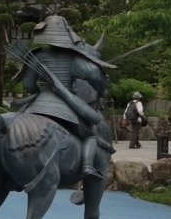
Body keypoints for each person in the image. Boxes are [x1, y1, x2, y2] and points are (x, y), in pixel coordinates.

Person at [17, 15, 117, 185]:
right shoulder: (74, 59)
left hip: (37, 105)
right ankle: (87, 166)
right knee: (90, 132)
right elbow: (96, 78)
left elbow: (28, 85)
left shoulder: (37, 56)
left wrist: (39, 90)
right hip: (65, 106)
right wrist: (104, 89)